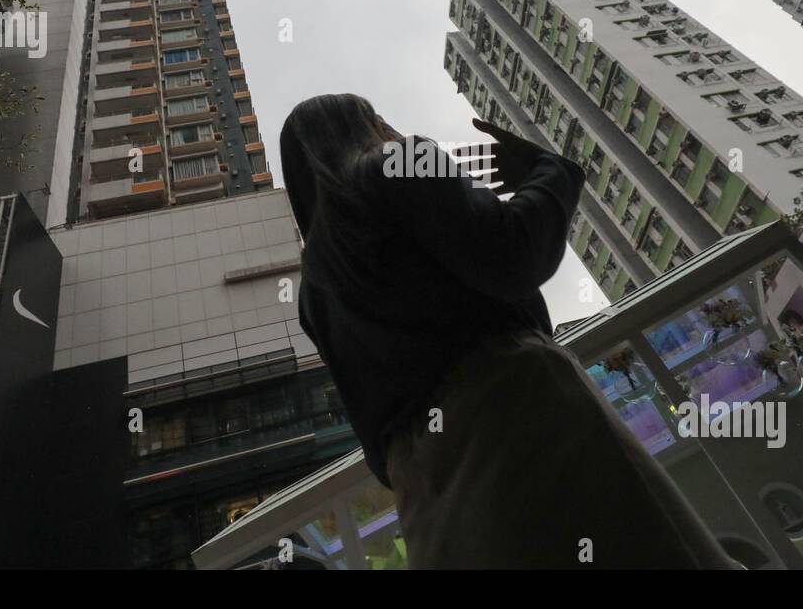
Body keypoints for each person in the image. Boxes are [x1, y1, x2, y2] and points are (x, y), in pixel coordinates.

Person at [280, 93, 736, 569]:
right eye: (376, 120)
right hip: (519, 412)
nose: (387, 129)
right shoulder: (398, 163)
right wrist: (549, 170)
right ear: (358, 132)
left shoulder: (314, 292)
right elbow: (514, 256)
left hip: (426, 489)